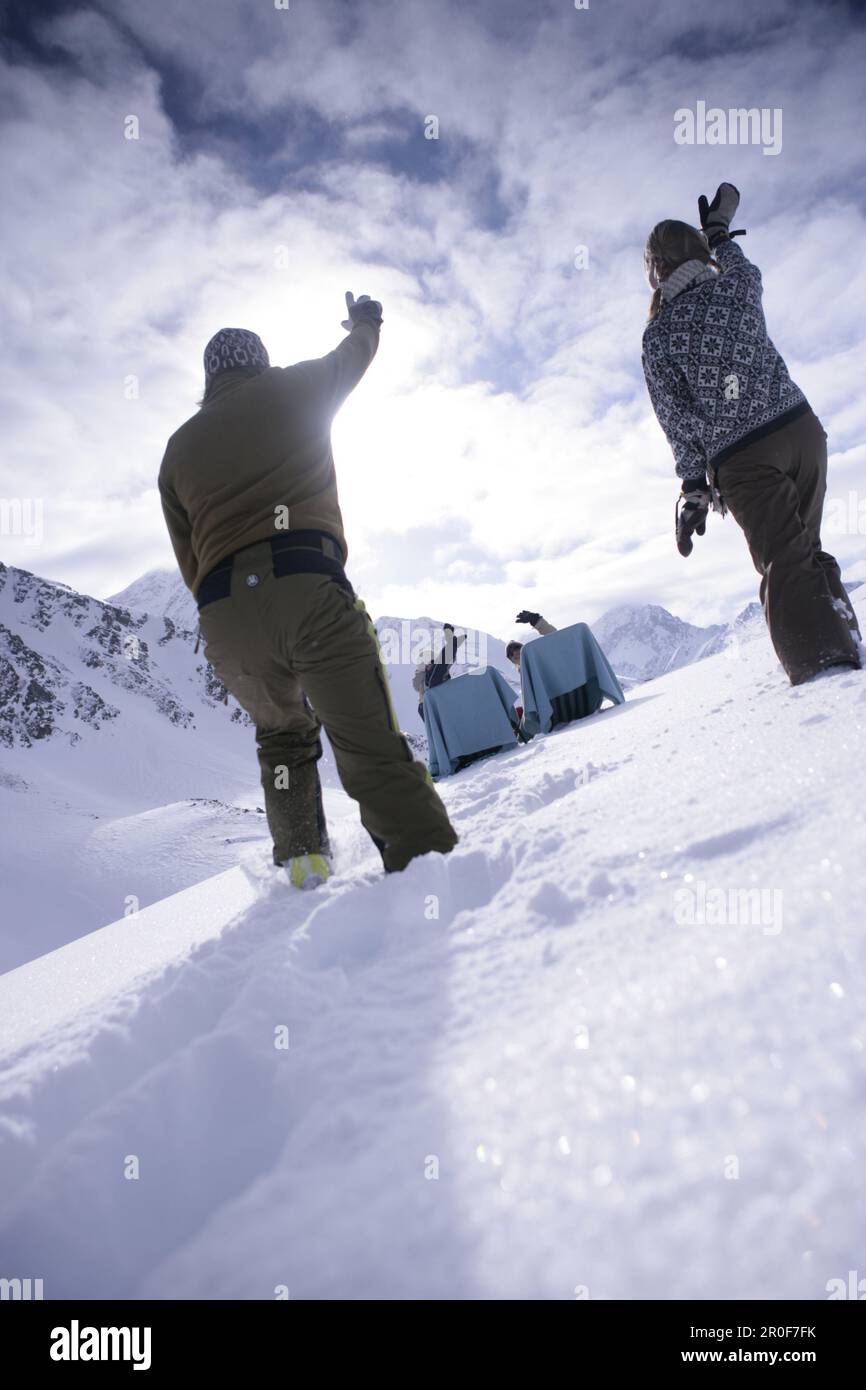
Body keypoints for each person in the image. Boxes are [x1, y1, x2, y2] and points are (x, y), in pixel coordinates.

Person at [158, 296, 458, 889]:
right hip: (305, 586)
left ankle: (303, 864)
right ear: (260, 362)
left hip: (225, 618)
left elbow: (187, 555)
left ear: (208, 377)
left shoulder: (178, 449)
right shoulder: (297, 388)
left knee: (281, 737)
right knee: (366, 740)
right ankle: (428, 874)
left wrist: (234, 607)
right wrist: (368, 319)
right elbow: (355, 356)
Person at [642, 183, 861, 686]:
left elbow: (676, 421)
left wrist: (694, 490)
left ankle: (827, 679)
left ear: (655, 273)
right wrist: (718, 233)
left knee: (786, 562)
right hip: (802, 431)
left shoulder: (659, 336)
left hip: (746, 456)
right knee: (807, 548)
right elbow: (741, 264)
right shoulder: (736, 286)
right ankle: (846, 646)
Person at [413, 623, 467, 722]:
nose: (431, 665)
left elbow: (443, 664)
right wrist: (451, 645)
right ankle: (451, 644)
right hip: (430, 707)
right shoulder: (427, 678)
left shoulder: (431, 676)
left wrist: (452, 646)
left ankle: (451, 645)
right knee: (435, 677)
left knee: (439, 673)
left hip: (437, 705)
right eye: (430, 663)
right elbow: (441, 665)